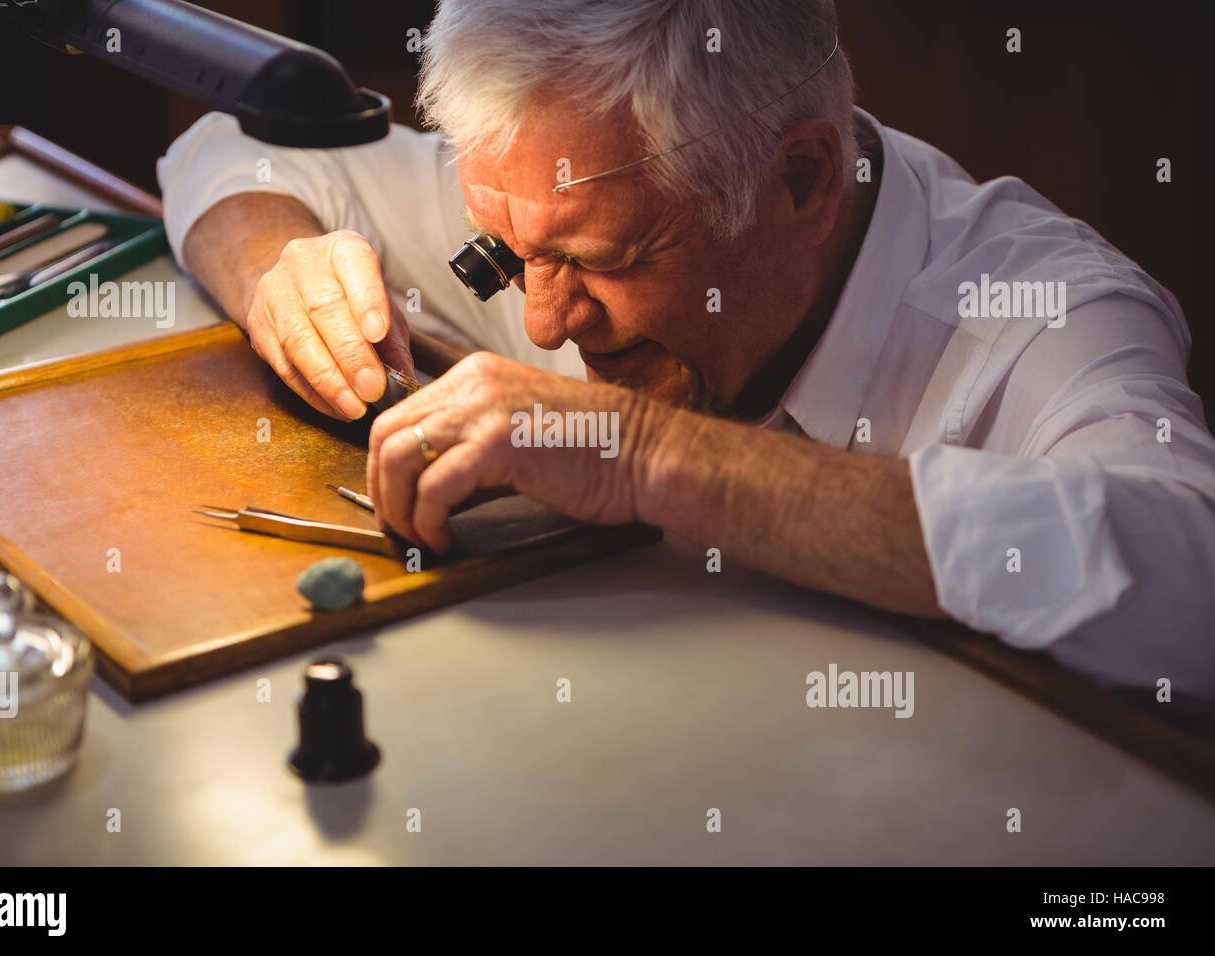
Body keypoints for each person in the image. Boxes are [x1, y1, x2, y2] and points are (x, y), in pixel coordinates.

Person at [157, 0, 1215, 697]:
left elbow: (1190, 586)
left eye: (603, 261)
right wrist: (280, 273)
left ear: (801, 179)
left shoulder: (1038, 312)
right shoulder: (559, 174)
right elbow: (230, 150)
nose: (539, 318)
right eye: (506, 250)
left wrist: (640, 454)